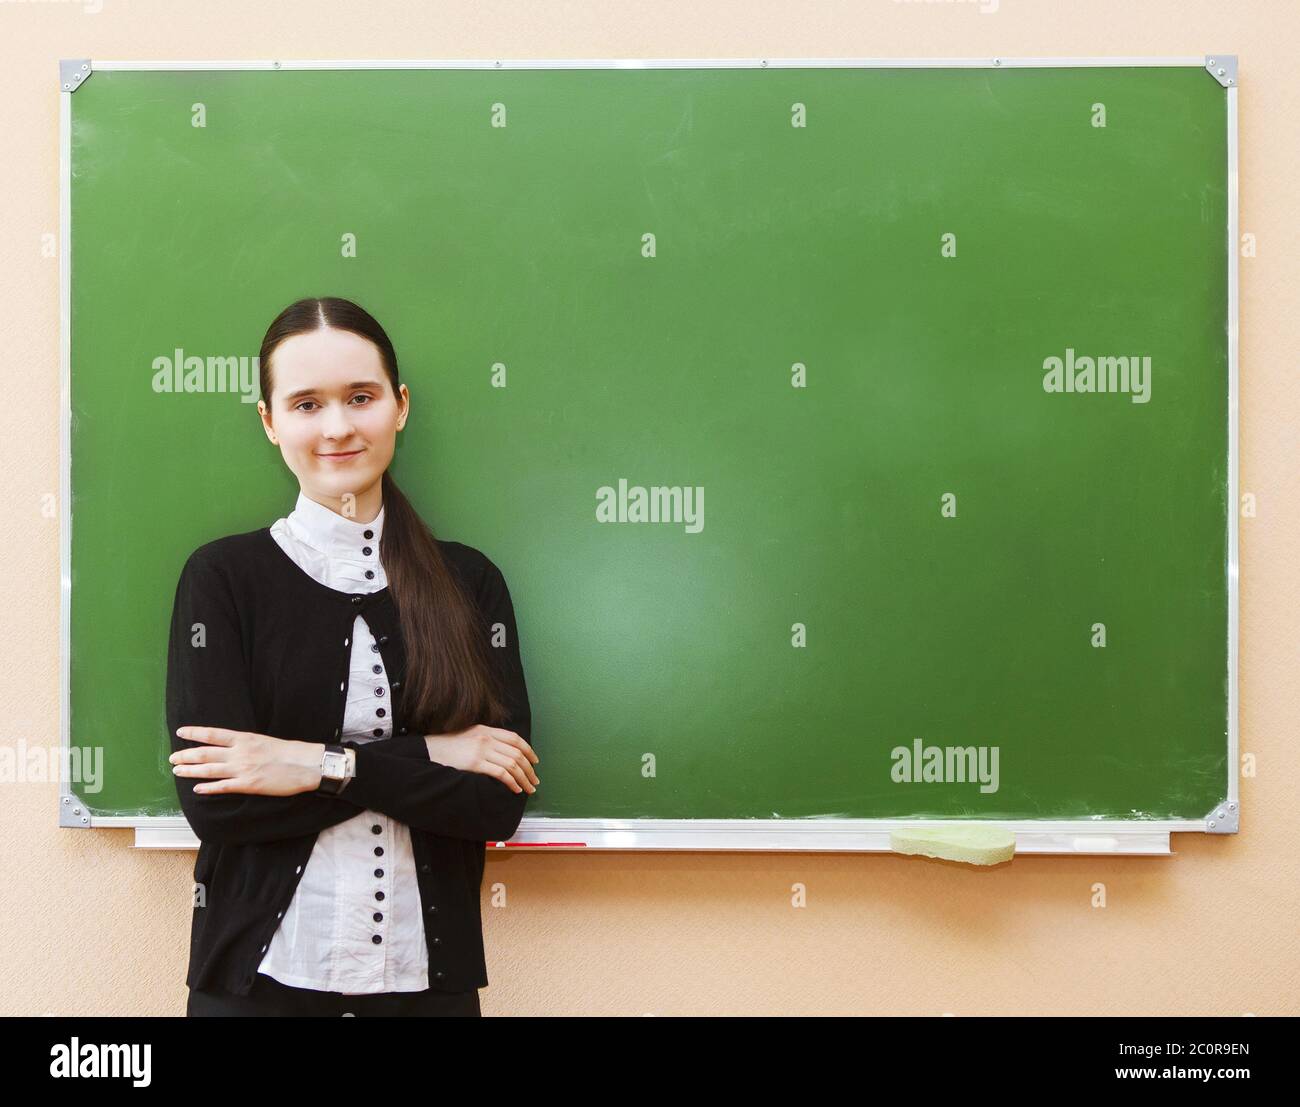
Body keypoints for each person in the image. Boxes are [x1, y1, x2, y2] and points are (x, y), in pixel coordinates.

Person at [167, 296, 538, 1016]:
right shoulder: (222, 579)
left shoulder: (471, 583)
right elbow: (222, 807)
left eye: (360, 397)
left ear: (398, 406)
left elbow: (496, 801)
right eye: (307, 403)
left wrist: (307, 764)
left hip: (426, 986)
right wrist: (438, 752)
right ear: (270, 421)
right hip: (257, 983)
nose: (337, 426)